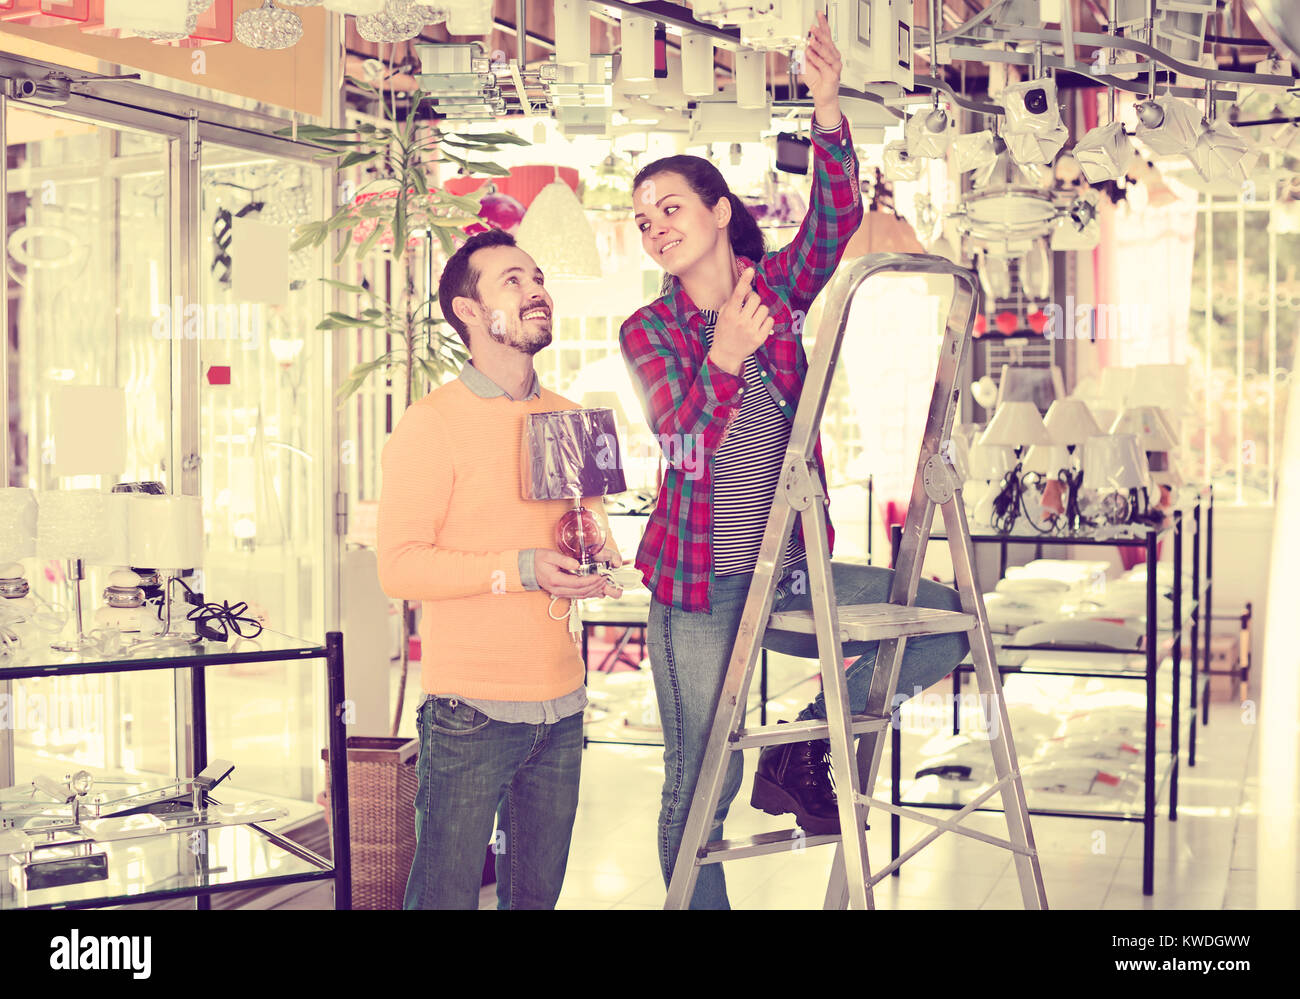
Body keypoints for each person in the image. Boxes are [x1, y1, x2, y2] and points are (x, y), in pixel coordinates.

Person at [619, 13, 970, 909]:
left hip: (787, 569)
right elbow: (688, 453)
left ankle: (803, 738)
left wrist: (825, 105)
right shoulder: (648, 330)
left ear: (720, 212)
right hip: (696, 587)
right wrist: (727, 355)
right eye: (643, 219)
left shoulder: (773, 289)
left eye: (671, 208)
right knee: (698, 781)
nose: (655, 228)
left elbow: (836, 219)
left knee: (940, 619)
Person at [378, 228, 622, 909]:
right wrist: (520, 567)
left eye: (537, 275)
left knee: (535, 900)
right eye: (512, 279)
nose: (536, 287)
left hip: (564, 704)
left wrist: (598, 560)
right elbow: (399, 569)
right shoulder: (430, 424)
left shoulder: (574, 418)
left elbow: (586, 535)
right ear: (466, 310)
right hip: (469, 712)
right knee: (444, 899)